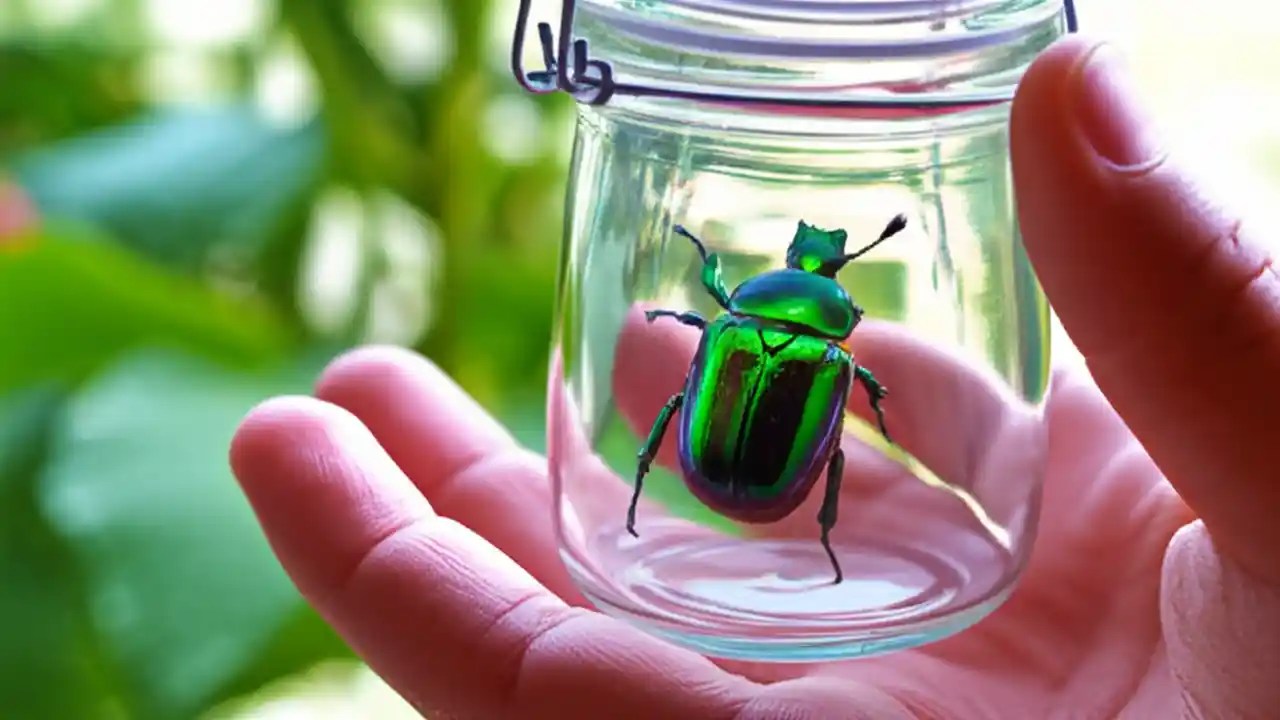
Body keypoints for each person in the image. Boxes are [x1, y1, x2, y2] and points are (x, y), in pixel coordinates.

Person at [229, 35, 1280, 719]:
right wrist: (866, 402)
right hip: (772, 473)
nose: (816, 263)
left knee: (684, 388)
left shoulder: (734, 327)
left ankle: (644, 503)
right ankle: (775, 529)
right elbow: (839, 396)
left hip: (715, 459)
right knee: (795, 423)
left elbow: (718, 312)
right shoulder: (831, 352)